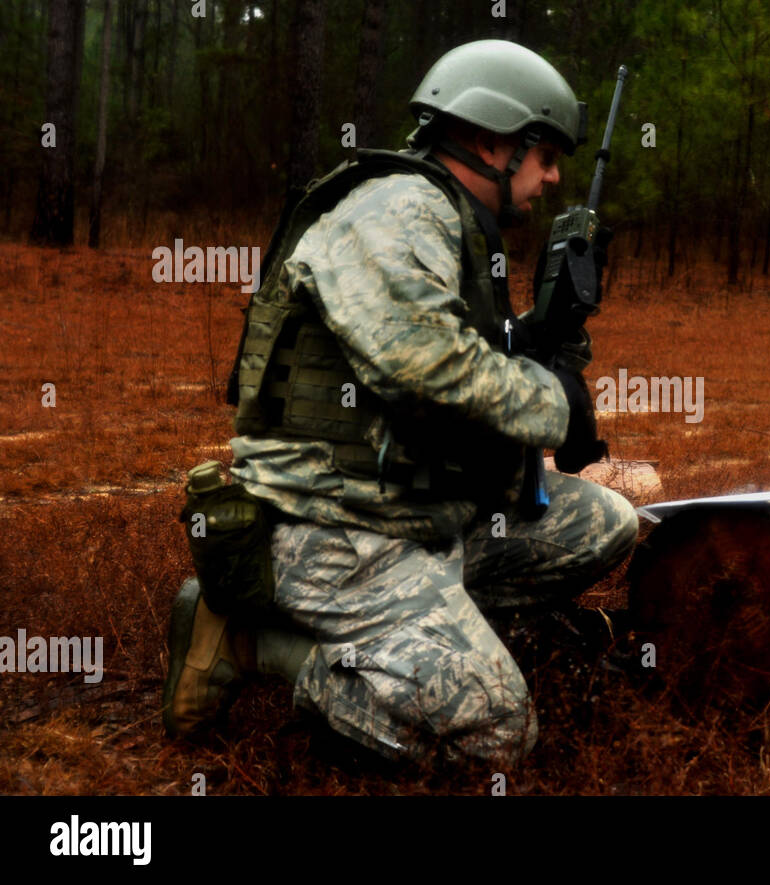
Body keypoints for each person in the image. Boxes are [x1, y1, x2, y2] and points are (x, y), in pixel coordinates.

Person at [162, 39, 639, 768]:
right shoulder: (397, 209)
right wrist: (555, 402)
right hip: (332, 529)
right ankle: (256, 641)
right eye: (544, 154)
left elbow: (445, 344)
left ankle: (423, 634)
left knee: (607, 522)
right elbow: (426, 367)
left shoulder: (447, 220)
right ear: (490, 140)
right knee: (498, 731)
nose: (553, 175)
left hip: (418, 511)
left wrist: (534, 337)